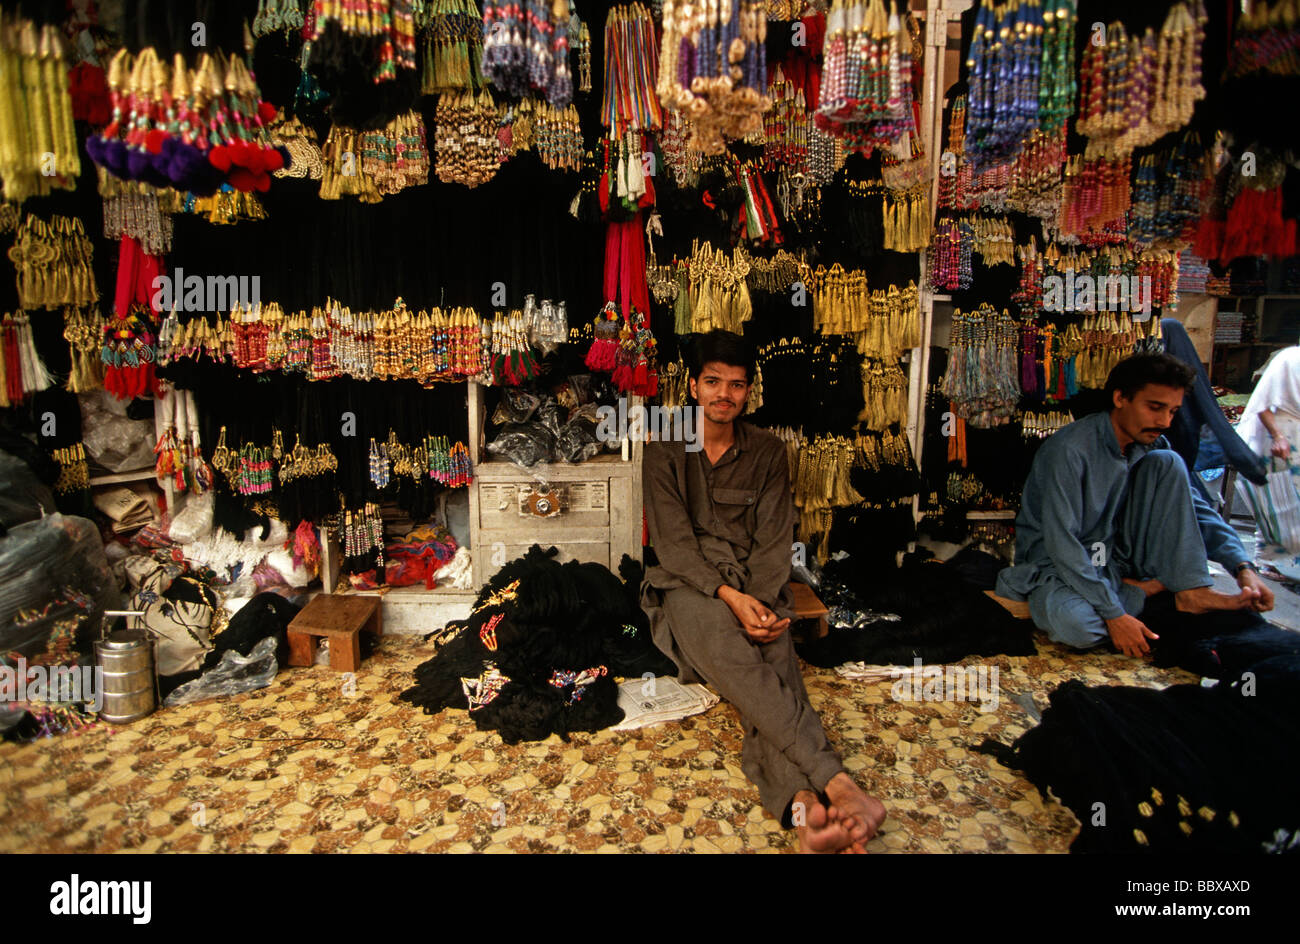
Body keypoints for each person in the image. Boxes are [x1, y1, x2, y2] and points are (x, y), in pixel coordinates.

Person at [640, 329, 885, 853]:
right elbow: (674, 545)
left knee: (769, 669)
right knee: (745, 662)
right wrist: (733, 601)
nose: (723, 394)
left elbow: (776, 541)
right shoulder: (663, 447)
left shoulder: (770, 451)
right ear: (693, 386)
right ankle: (837, 782)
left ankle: (805, 813)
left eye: (736, 385)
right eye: (713, 382)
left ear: (749, 392)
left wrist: (757, 599)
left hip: (760, 584)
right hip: (688, 587)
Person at [995, 352, 1274, 658]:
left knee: (1168, 463)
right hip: (1061, 565)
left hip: (1118, 558)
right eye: (1155, 408)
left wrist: (1243, 567)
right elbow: (1063, 546)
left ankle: (1188, 591)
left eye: (1172, 411)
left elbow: (1196, 510)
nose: (1164, 421)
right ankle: (1140, 592)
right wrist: (1114, 615)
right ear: (1119, 398)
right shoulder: (1070, 451)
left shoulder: (1152, 444)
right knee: (1077, 626)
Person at [1233, 343, 1300, 581]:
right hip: (1273, 438)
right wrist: (1278, 436)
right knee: (1274, 500)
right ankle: (1264, 560)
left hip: (1295, 435)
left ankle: (1285, 556)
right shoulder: (1288, 359)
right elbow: (1263, 403)